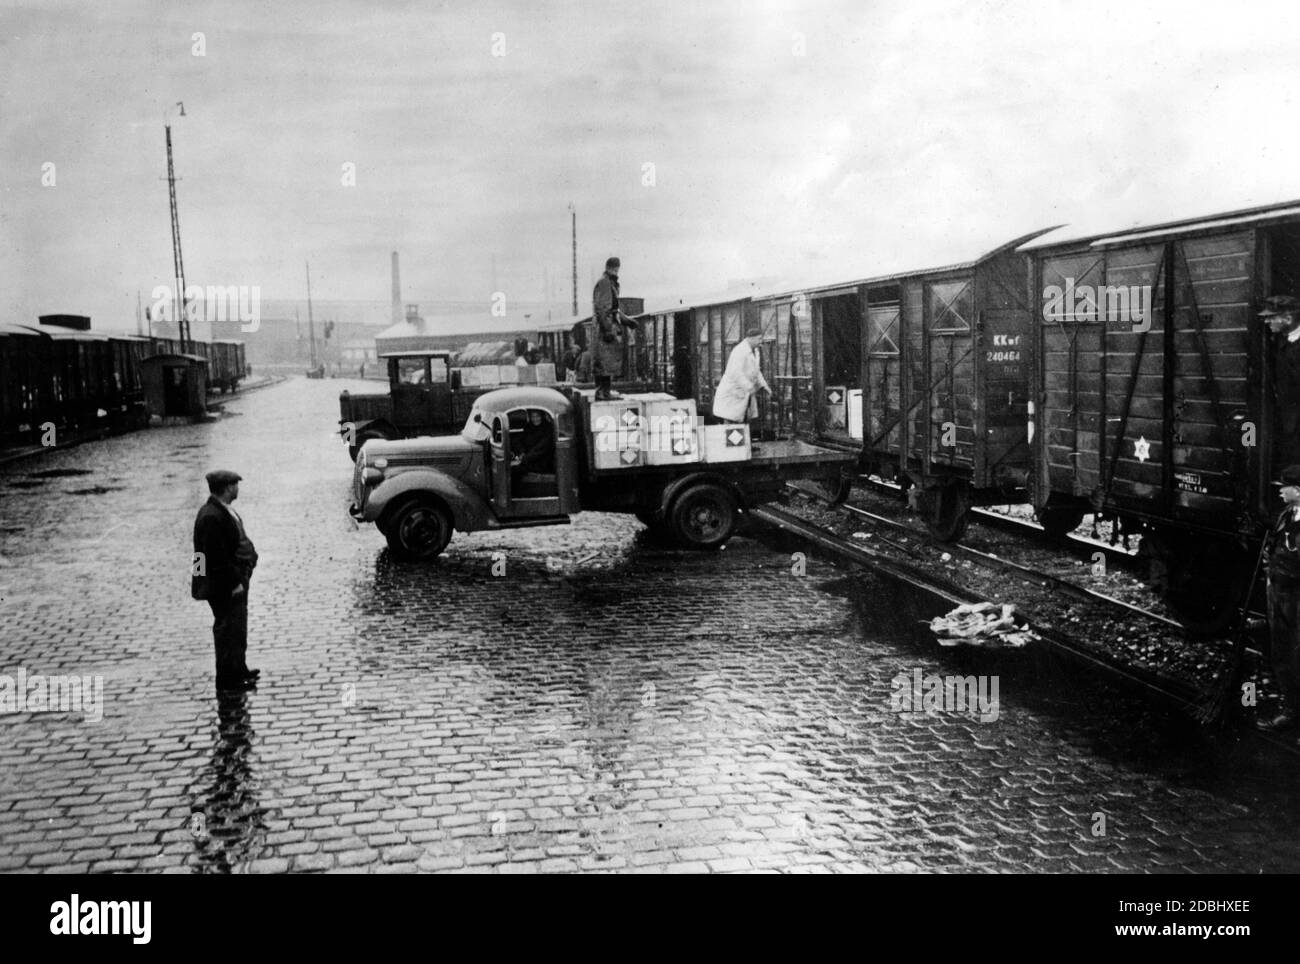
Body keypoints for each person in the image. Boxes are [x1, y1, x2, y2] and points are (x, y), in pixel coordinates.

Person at [192, 470, 260, 691]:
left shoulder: (219, 511)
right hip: (225, 585)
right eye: (235, 485)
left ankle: (238, 669)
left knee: (237, 627)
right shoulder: (211, 516)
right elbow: (213, 557)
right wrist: (232, 583)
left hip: (231, 579)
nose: (238, 488)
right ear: (228, 488)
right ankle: (229, 679)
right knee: (228, 629)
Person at [1261, 464, 1300, 731]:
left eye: (1283, 488)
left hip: (1296, 594)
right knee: (1282, 651)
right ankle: (1291, 711)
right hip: (1279, 590)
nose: (1279, 492)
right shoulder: (1286, 514)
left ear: (1297, 490)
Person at [591, 256, 639, 400]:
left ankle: (605, 392)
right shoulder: (605, 283)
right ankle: (602, 392)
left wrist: (627, 321)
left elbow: (614, 310)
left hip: (607, 326)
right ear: (615, 268)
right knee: (605, 363)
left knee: (607, 362)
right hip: (605, 329)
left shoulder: (607, 282)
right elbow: (603, 309)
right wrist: (608, 330)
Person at [1263, 295, 1300, 469]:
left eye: (1271, 317)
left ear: (1288, 318)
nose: (1267, 321)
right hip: (1287, 420)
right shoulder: (1282, 339)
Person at [712, 325, 771, 424]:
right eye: (759, 339)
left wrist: (764, 385)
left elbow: (756, 370)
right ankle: (729, 439)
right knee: (730, 419)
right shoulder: (740, 351)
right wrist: (748, 386)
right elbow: (735, 372)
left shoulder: (755, 351)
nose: (761, 341)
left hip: (743, 393)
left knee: (741, 420)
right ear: (751, 338)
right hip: (732, 392)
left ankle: (740, 439)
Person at [512, 410, 555, 487]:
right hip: (529, 459)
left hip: (542, 461)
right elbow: (519, 440)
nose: (535, 419)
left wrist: (523, 459)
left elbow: (541, 449)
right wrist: (522, 452)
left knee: (515, 470)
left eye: (537, 416)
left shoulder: (548, 429)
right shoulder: (529, 427)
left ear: (542, 416)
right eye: (533, 416)